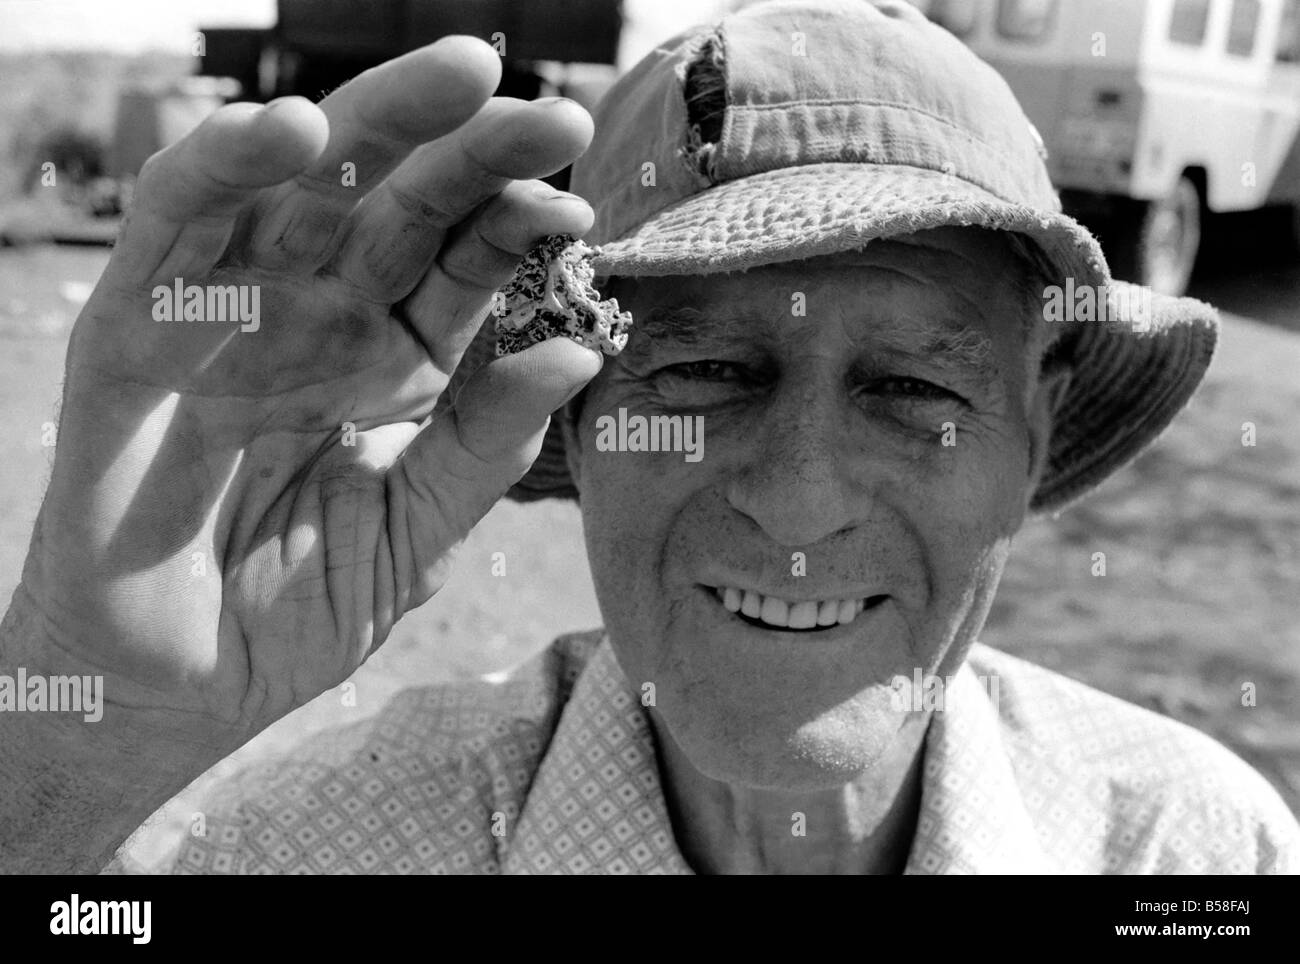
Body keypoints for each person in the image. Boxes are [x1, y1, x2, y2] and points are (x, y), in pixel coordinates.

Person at [1, 0, 1296, 875]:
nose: (798, 508)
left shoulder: (1192, 851)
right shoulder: (344, 846)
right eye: (707, 374)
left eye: (915, 393)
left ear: (1034, 441)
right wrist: (81, 749)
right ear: (579, 425)